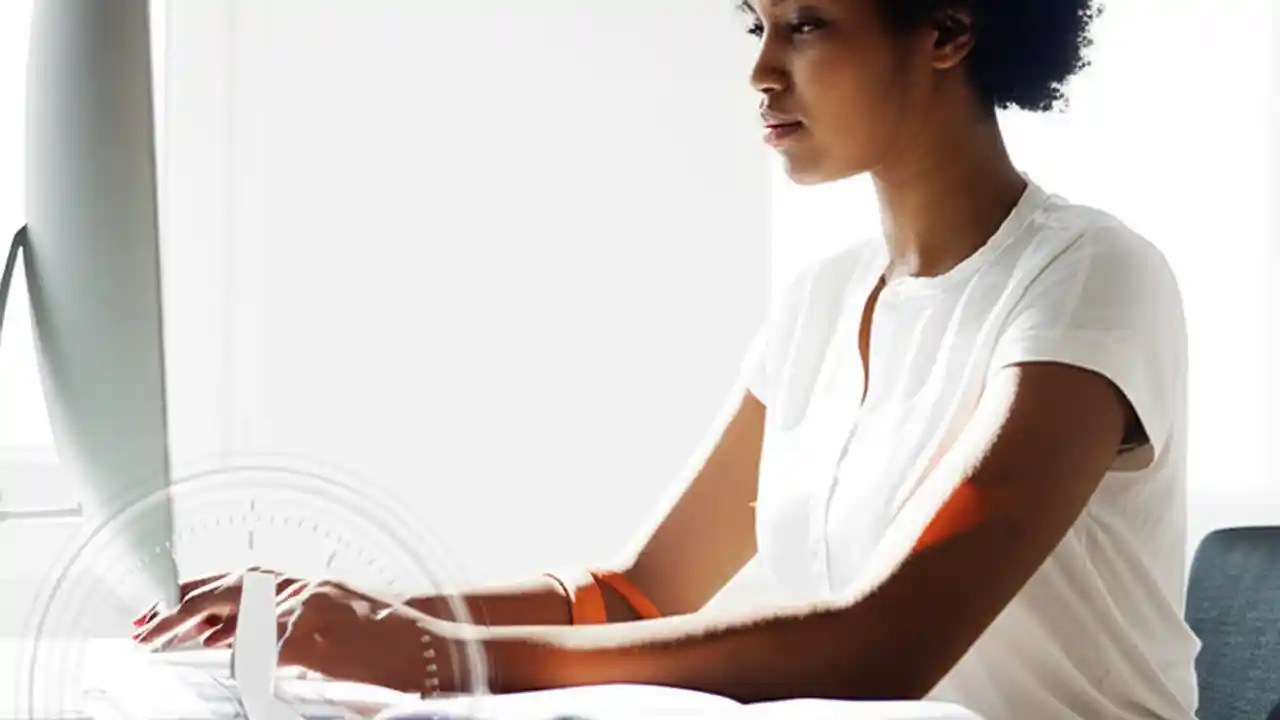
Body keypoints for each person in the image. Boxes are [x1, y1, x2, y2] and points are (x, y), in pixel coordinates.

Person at [132, 0, 1202, 717]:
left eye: (807, 24)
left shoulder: (1087, 277)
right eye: (755, 20)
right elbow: (642, 592)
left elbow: (888, 649)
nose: (760, 69)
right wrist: (351, 610)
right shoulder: (819, 303)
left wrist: (431, 654)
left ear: (947, 33)